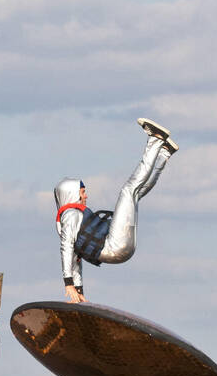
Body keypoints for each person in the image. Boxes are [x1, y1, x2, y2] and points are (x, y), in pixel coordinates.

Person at [54, 119, 178, 303]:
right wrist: (68, 283)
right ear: (72, 194)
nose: (86, 196)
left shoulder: (73, 217)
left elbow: (75, 260)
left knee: (136, 193)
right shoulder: (70, 215)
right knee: (128, 190)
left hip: (118, 248)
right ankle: (155, 140)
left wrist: (79, 290)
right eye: (82, 193)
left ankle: (163, 154)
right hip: (114, 245)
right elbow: (66, 250)